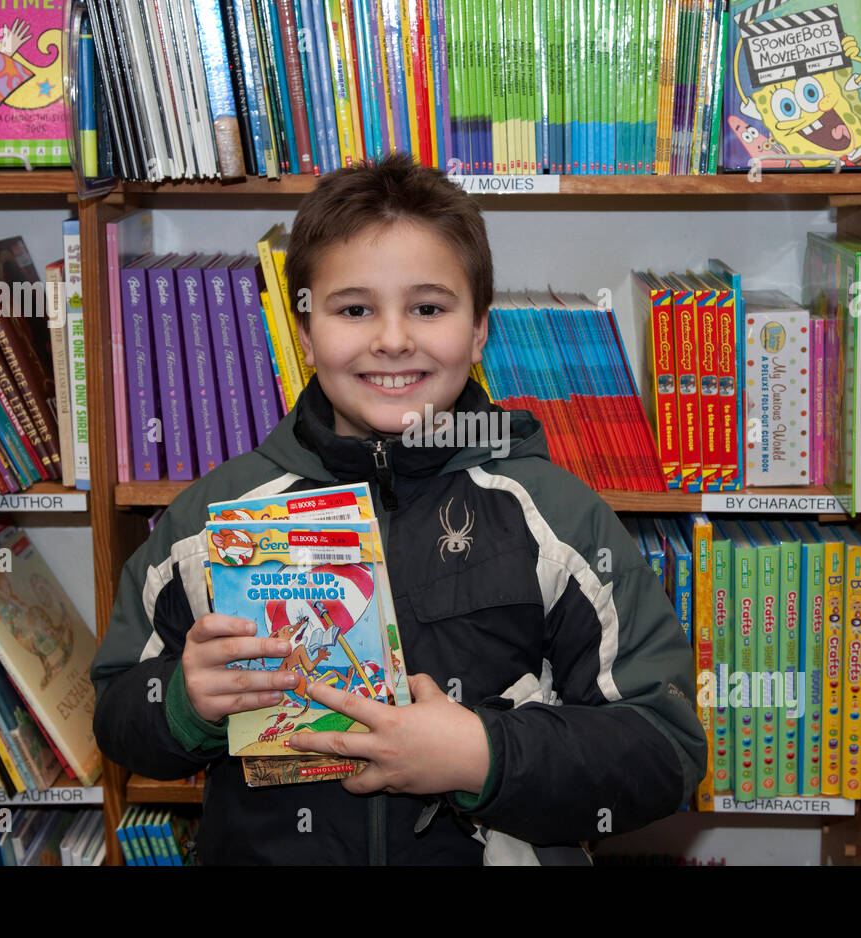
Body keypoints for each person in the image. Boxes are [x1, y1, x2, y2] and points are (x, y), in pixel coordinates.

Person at [91, 152, 707, 864]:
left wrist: (482, 756)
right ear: (304, 333)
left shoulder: (556, 517)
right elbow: (115, 713)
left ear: (478, 331)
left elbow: (665, 747)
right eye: (355, 309)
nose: (392, 338)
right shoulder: (212, 518)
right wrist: (182, 700)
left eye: (428, 307)